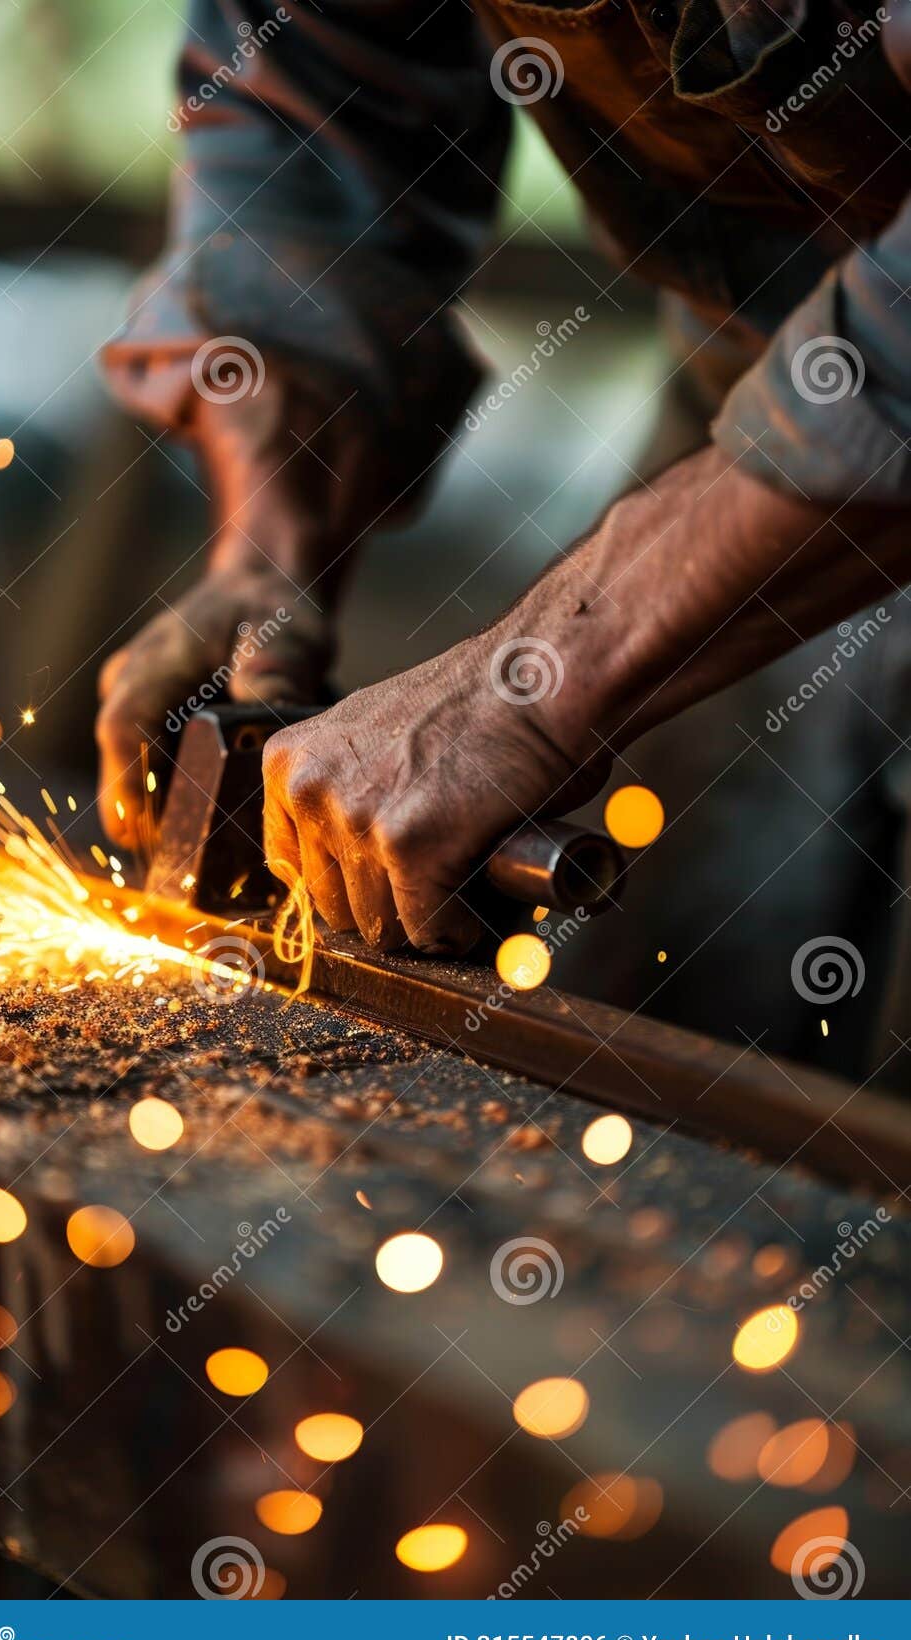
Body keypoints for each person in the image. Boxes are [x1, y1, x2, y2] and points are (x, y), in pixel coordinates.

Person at [97, 0, 911, 1073]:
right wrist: (269, 559)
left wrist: (523, 699)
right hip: (775, 374)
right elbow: (316, 105)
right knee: (657, 1025)